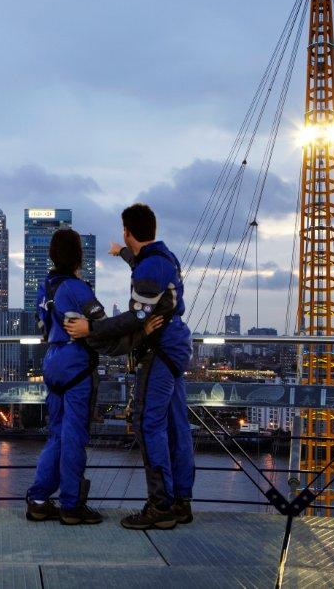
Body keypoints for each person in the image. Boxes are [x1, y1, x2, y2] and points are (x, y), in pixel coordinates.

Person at [65, 202, 195, 530]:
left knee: (147, 423)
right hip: (175, 346)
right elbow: (141, 264)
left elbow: (136, 316)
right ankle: (180, 501)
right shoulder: (163, 256)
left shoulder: (150, 268)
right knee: (176, 424)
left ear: (127, 230)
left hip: (161, 349)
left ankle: (160, 506)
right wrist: (121, 252)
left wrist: (91, 329)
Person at [25, 228, 142, 525]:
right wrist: (138, 334)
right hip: (76, 365)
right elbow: (104, 326)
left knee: (57, 433)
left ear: (52, 255)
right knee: (74, 436)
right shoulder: (77, 289)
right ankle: (71, 505)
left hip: (52, 363)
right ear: (78, 256)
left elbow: (43, 328)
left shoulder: (45, 288)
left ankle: (38, 500)